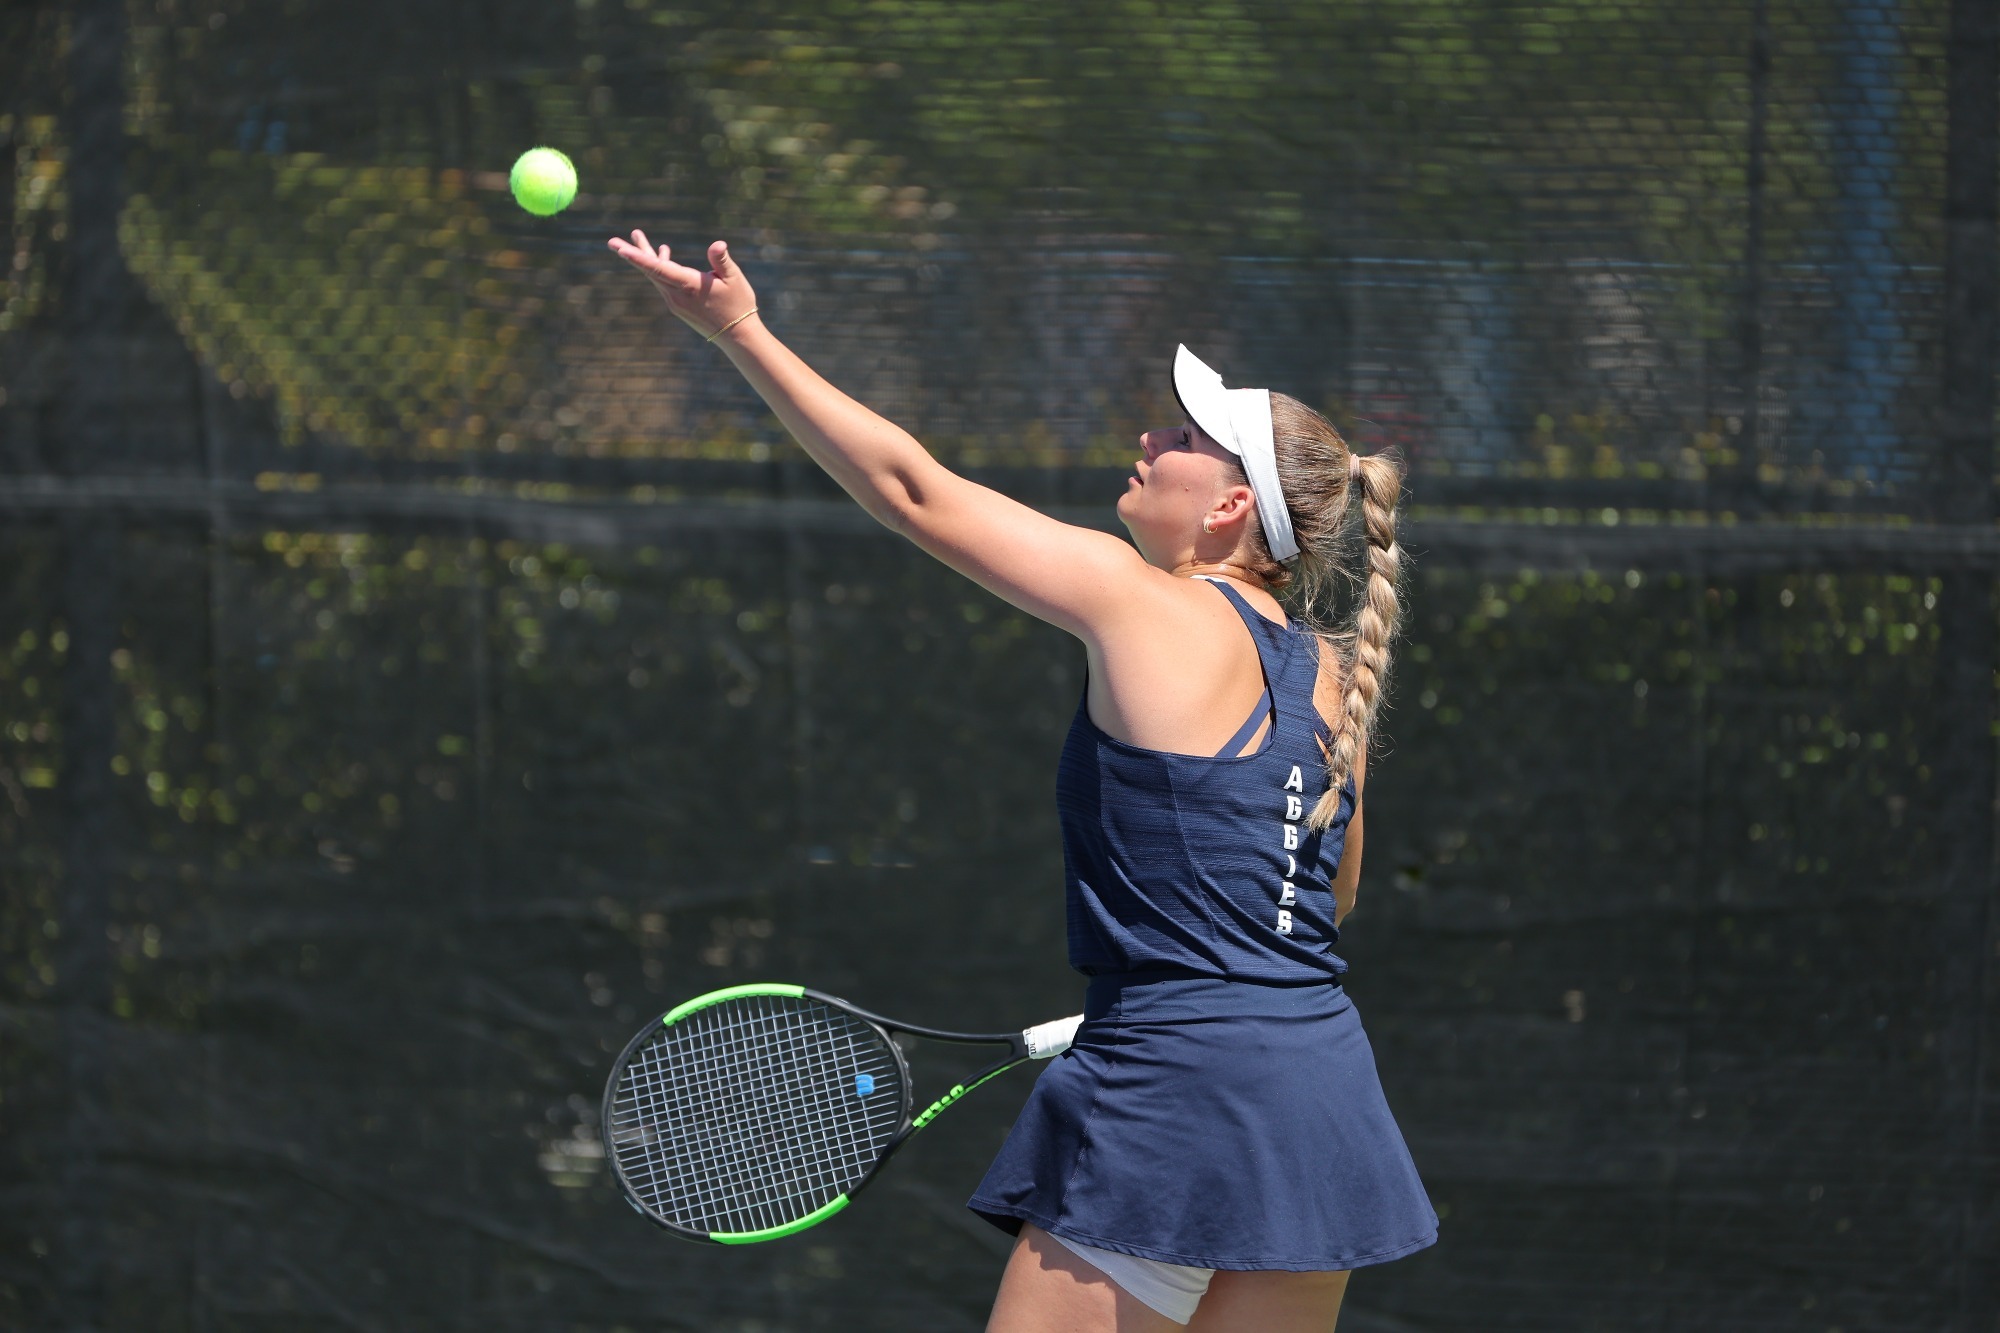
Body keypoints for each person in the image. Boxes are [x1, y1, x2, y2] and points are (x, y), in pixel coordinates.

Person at [609, 232, 1437, 1331]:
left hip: (1175, 1093)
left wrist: (740, 330)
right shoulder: (1335, 676)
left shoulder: (1138, 598)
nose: (1151, 438)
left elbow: (912, 492)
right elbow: (1324, 899)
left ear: (1229, 507)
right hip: (1321, 1099)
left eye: (1185, 437)